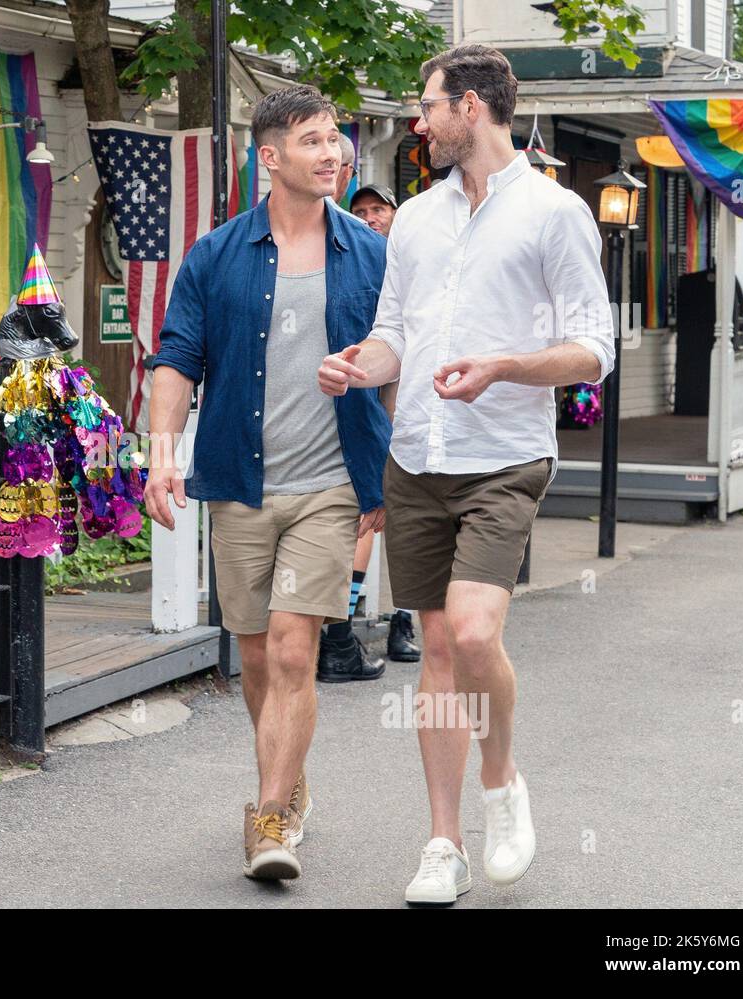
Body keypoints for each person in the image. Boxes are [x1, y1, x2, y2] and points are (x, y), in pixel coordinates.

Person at [318, 43, 615, 905]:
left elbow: (593, 349)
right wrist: (357, 364)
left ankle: (503, 782)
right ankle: (443, 842)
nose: (418, 120)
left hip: (504, 457)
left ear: (474, 108)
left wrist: (502, 367)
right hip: (417, 454)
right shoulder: (413, 218)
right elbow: (397, 336)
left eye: (429, 105)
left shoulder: (556, 213)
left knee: (477, 634)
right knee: (438, 648)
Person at [147, 84, 391, 881]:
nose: (333, 154)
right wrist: (160, 454)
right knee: (254, 655)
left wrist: (388, 456)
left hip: (331, 485)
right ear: (272, 155)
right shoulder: (215, 256)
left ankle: (269, 816)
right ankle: (290, 780)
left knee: (293, 648)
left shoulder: (370, 251)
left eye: (337, 140)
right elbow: (179, 359)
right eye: (315, 141)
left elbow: (402, 355)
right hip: (241, 483)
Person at [321, 178, 422, 675]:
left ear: (394, 214)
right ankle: (340, 628)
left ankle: (403, 620)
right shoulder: (344, 255)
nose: (368, 216)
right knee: (365, 512)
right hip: (355, 392)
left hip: (403, 392)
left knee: (404, 519)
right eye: (359, 208)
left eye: (378, 209)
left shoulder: (401, 258)